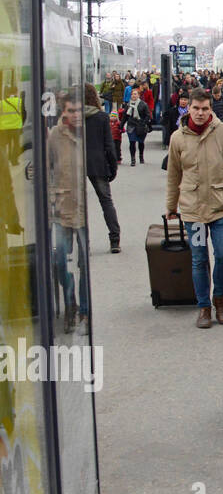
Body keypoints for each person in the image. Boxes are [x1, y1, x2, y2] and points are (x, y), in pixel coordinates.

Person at [165, 88, 223, 329]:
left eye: (205, 109)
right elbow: (173, 174)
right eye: (196, 108)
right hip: (194, 211)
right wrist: (171, 206)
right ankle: (204, 306)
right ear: (188, 108)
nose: (200, 113)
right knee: (199, 259)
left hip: (219, 208)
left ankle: (219, 298)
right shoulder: (178, 138)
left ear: (211, 109)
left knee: (222, 254)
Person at [48, 92, 90, 334]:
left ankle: (83, 311)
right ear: (63, 113)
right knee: (60, 260)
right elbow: (45, 168)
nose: (75, 116)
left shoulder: (88, 133)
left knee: (84, 263)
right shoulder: (55, 135)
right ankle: (70, 301)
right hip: (61, 208)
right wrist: (51, 195)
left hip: (84, 210)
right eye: (70, 111)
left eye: (78, 111)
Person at [82, 84, 120, 254]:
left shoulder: (73, 117)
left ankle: (83, 243)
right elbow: (109, 146)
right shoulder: (102, 117)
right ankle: (114, 240)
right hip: (97, 163)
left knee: (78, 206)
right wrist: (113, 167)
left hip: (77, 164)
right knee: (106, 201)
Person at [122, 87, 151, 165]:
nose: (133, 96)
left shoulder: (143, 104)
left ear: (138, 95)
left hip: (140, 126)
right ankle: (133, 159)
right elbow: (125, 116)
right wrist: (121, 126)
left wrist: (143, 123)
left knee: (141, 142)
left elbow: (148, 115)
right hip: (131, 125)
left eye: (135, 94)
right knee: (132, 142)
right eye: (132, 94)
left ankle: (141, 156)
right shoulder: (128, 104)